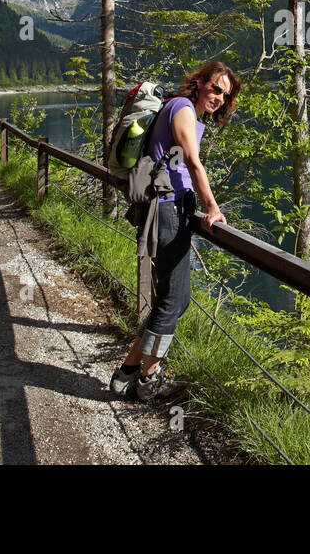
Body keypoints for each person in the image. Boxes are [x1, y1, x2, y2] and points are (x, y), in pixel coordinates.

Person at [110, 61, 240, 401]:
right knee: (174, 299)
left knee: (171, 300)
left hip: (172, 207)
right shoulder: (181, 108)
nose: (218, 98)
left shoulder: (186, 112)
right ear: (198, 83)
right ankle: (148, 380)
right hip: (167, 208)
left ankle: (126, 372)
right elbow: (194, 164)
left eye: (224, 95)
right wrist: (212, 208)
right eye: (215, 88)